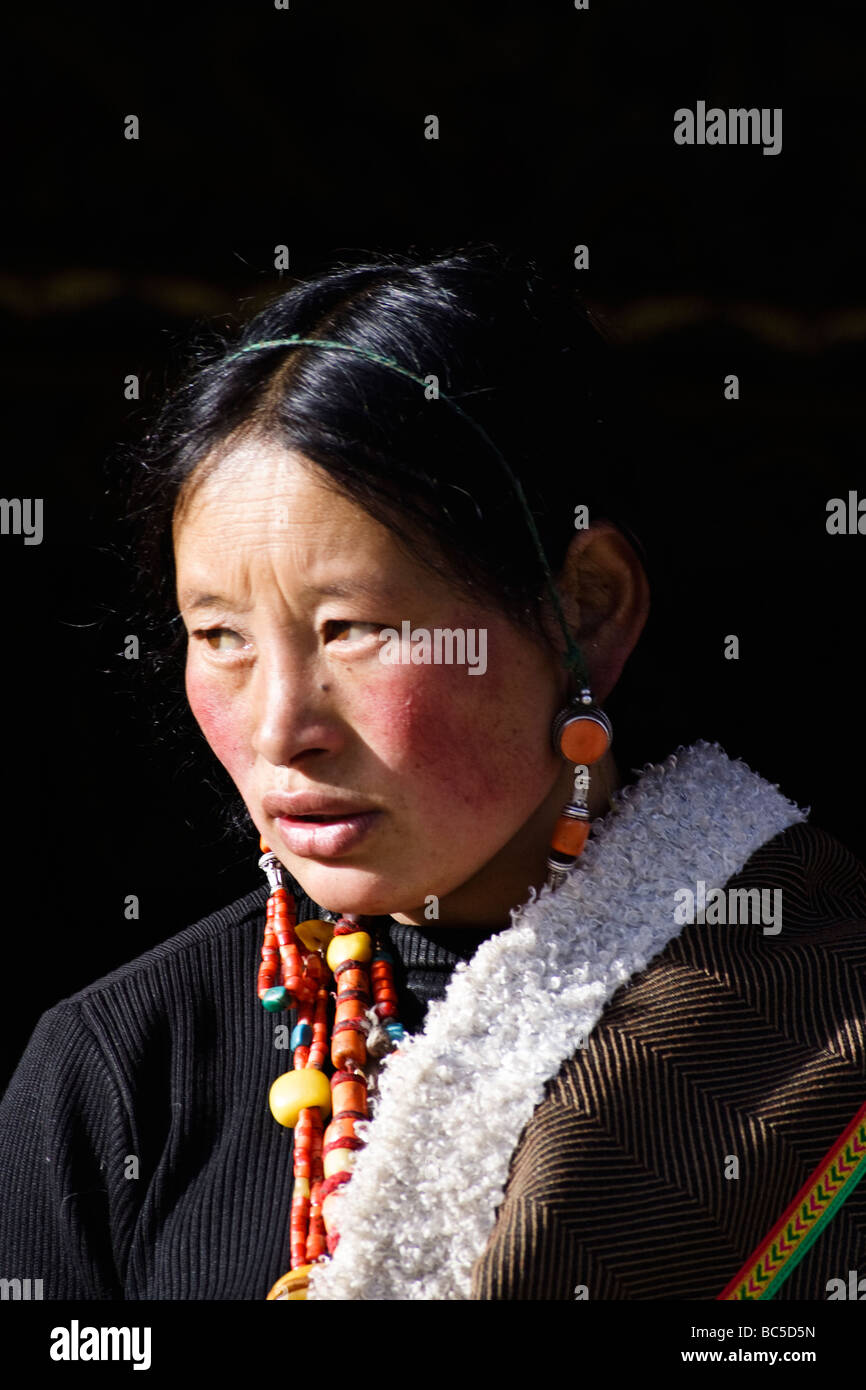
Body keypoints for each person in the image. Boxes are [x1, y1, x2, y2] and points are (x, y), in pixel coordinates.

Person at [0, 249, 863, 1301]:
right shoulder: (121, 1073)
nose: (281, 727)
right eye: (218, 635)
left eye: (353, 630)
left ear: (585, 607)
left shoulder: (822, 1023)